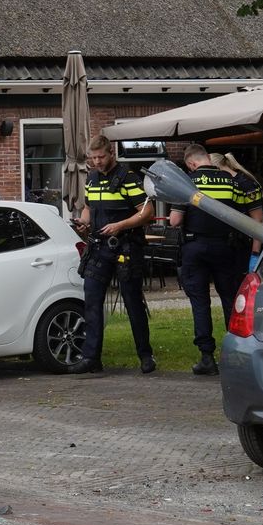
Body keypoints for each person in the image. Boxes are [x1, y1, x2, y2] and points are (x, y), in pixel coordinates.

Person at [169, 144, 263, 375]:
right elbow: (248, 217)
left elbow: (174, 221)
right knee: (231, 300)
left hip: (195, 248)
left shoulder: (187, 183)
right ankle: (237, 356)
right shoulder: (233, 183)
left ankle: (206, 357)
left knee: (200, 302)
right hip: (227, 248)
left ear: (191, 163)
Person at [71, 135, 155, 375]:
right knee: (92, 301)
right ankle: (91, 358)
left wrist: (120, 225)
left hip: (126, 247)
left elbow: (147, 212)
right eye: (93, 158)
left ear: (111, 154)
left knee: (132, 302)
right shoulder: (91, 178)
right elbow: (88, 207)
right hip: (99, 248)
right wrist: (83, 222)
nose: (97, 161)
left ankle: (145, 355)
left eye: (101, 157)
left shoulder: (128, 178)